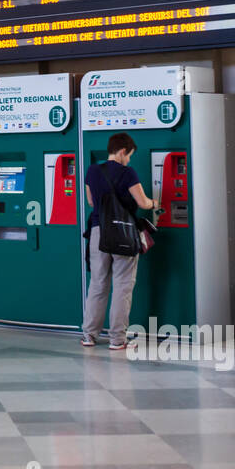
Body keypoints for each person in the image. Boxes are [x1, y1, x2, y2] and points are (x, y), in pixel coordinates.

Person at [81, 132, 161, 350]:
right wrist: (155, 203)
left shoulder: (92, 171)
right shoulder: (128, 173)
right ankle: (117, 339)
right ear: (122, 151)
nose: (129, 160)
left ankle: (89, 335)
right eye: (129, 156)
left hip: (98, 232)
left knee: (97, 284)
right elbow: (143, 202)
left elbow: (90, 201)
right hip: (123, 234)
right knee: (123, 286)